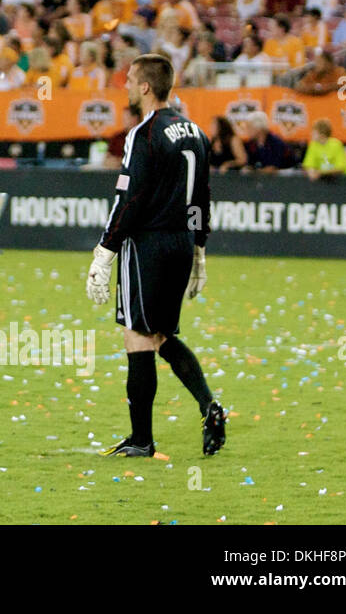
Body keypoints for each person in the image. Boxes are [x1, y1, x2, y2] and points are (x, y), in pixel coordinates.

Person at [86, 54, 225, 458]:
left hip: (147, 244)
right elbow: (201, 196)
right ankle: (209, 405)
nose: (126, 86)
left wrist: (104, 251)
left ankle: (141, 440)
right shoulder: (195, 131)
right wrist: (199, 249)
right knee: (162, 334)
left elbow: (129, 198)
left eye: (129, 80)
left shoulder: (143, 133)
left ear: (146, 86)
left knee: (138, 335)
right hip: (181, 243)